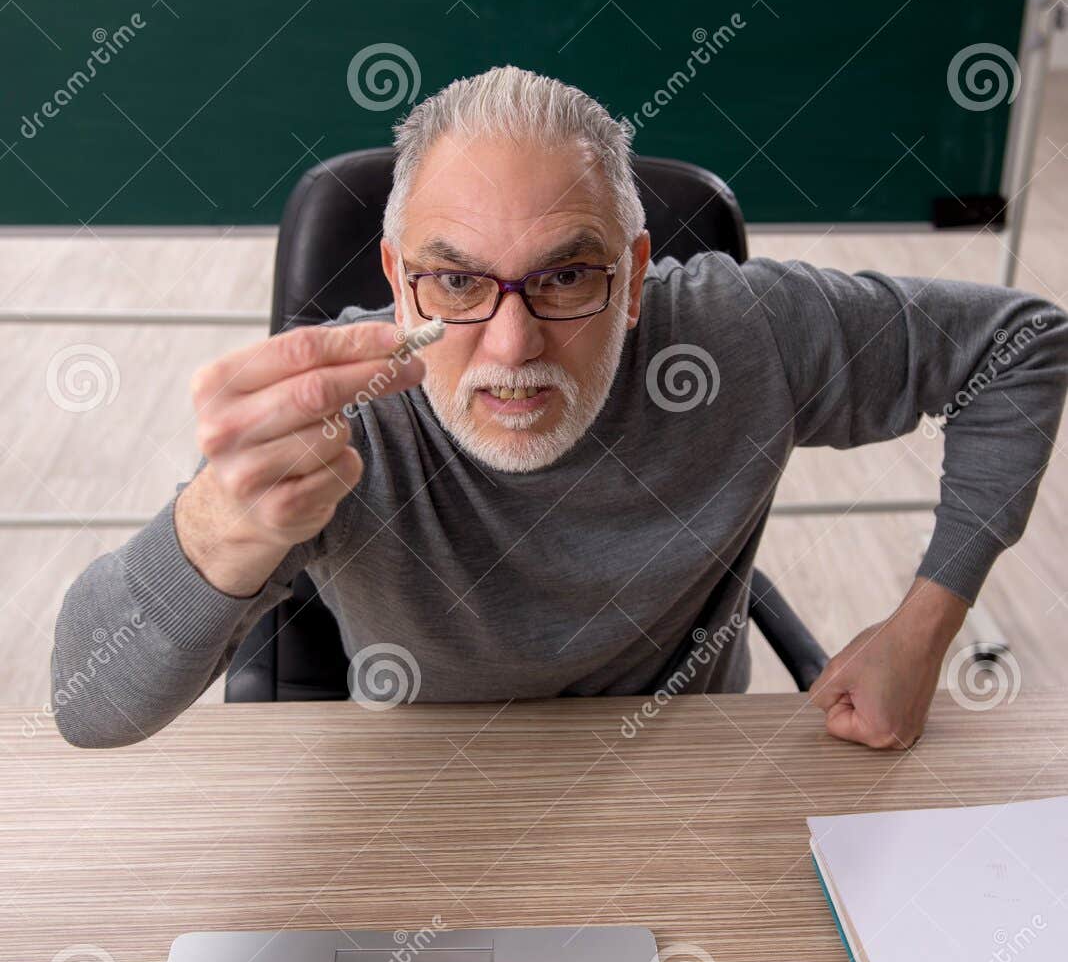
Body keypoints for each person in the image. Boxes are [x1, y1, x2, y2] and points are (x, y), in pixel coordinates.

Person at [51, 65, 1068, 749]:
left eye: (568, 276)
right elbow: (86, 708)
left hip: (684, 773)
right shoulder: (341, 418)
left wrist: (926, 624)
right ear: (398, 281)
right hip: (420, 789)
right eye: (456, 283)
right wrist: (213, 528)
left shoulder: (740, 333)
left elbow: (1023, 341)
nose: (512, 347)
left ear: (634, 274)